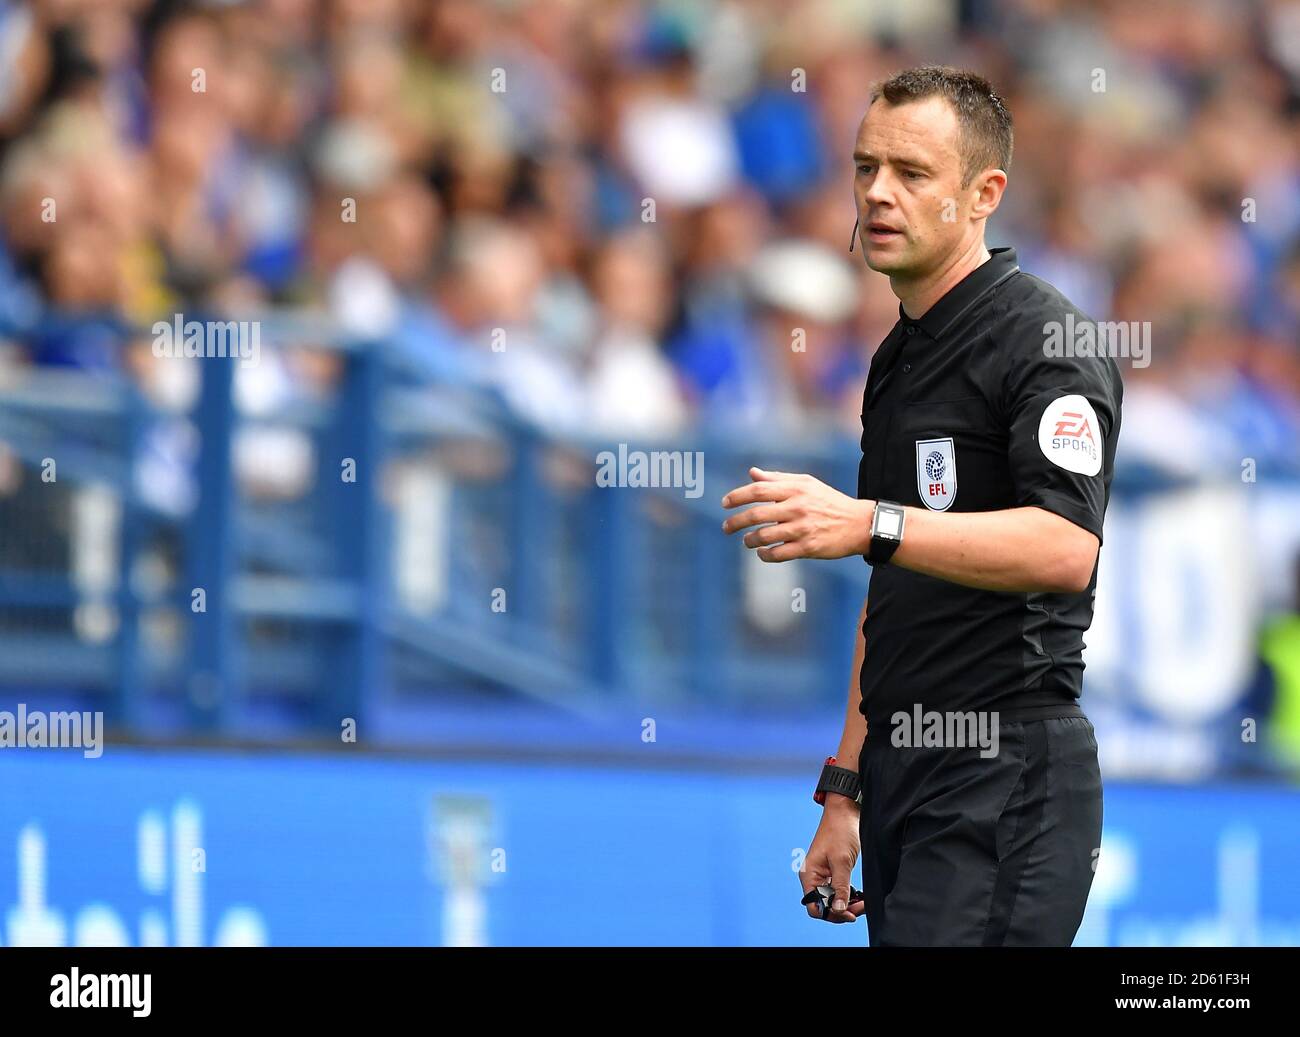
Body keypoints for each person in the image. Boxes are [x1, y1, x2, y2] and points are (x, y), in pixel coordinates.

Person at [721, 66, 1123, 946]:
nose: (876, 193)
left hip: (1005, 769)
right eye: (865, 167)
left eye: (911, 172)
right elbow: (895, 587)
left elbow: (1065, 547)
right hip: (907, 769)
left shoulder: (1046, 345)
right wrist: (847, 783)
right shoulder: (897, 357)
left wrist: (871, 522)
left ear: (984, 194)